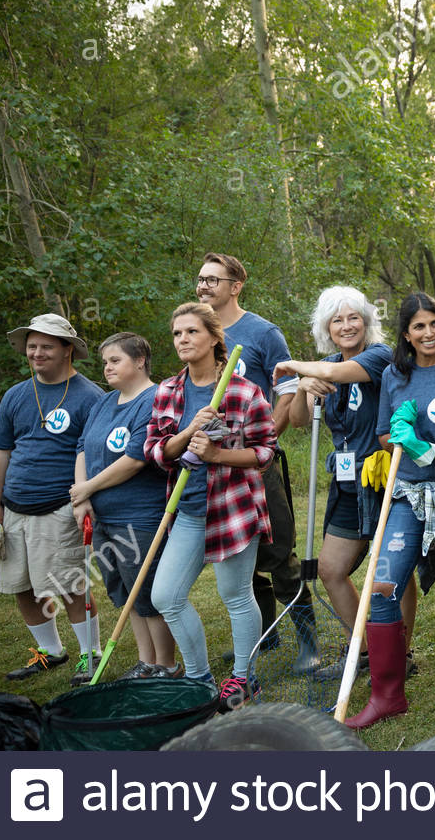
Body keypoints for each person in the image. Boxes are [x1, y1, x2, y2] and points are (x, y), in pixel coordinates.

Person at [344, 292, 435, 729]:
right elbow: (383, 436)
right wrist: (398, 432)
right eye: (419, 327)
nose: (429, 333)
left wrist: (424, 448)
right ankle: (387, 695)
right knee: (382, 586)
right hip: (408, 494)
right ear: (406, 334)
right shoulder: (394, 374)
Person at [274, 287, 419, 680]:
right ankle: (367, 650)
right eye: (337, 320)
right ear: (327, 329)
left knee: (393, 569)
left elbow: (337, 375)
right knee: (330, 568)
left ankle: (400, 652)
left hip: (386, 476)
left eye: (353, 317)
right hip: (347, 481)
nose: (346, 326)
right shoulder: (325, 365)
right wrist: (302, 387)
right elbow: (299, 420)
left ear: (366, 321)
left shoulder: (380, 356)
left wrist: (296, 368)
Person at [146, 302, 276, 711]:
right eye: (177, 333)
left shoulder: (243, 391)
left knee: (235, 594)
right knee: (166, 596)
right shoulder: (168, 391)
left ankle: (243, 677)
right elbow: (155, 450)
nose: (183, 339)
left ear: (214, 338)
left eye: (192, 332)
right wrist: (188, 433)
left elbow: (266, 451)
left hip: (233, 508)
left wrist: (218, 455)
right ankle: (199, 679)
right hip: (187, 509)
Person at [195, 253, 314, 671]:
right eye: (201, 279)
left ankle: (309, 642)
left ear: (236, 286)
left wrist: (263, 444)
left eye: (213, 279)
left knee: (278, 552)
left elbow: (288, 393)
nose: (204, 285)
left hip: (258, 464)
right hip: (217, 465)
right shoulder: (200, 332)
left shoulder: (263, 333)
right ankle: (264, 633)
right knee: (239, 554)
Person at [0, 313, 104, 684]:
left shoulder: (91, 397)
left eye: (46, 346)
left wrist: (84, 498)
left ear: (68, 350)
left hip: (61, 507)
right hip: (15, 508)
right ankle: (50, 652)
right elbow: (1, 450)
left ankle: (90, 657)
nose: (36, 353)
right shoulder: (15, 395)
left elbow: (97, 455)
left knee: (71, 586)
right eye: (32, 346)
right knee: (21, 587)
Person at [70, 333, 179, 680]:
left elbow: (136, 458)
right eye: (105, 362)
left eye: (115, 360)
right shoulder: (104, 402)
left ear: (140, 361)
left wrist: (87, 487)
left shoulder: (154, 400)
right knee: (124, 592)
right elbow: (82, 447)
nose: (107, 368)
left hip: (139, 518)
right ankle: (146, 662)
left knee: (145, 592)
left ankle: (167, 665)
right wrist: (82, 497)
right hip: (103, 517)